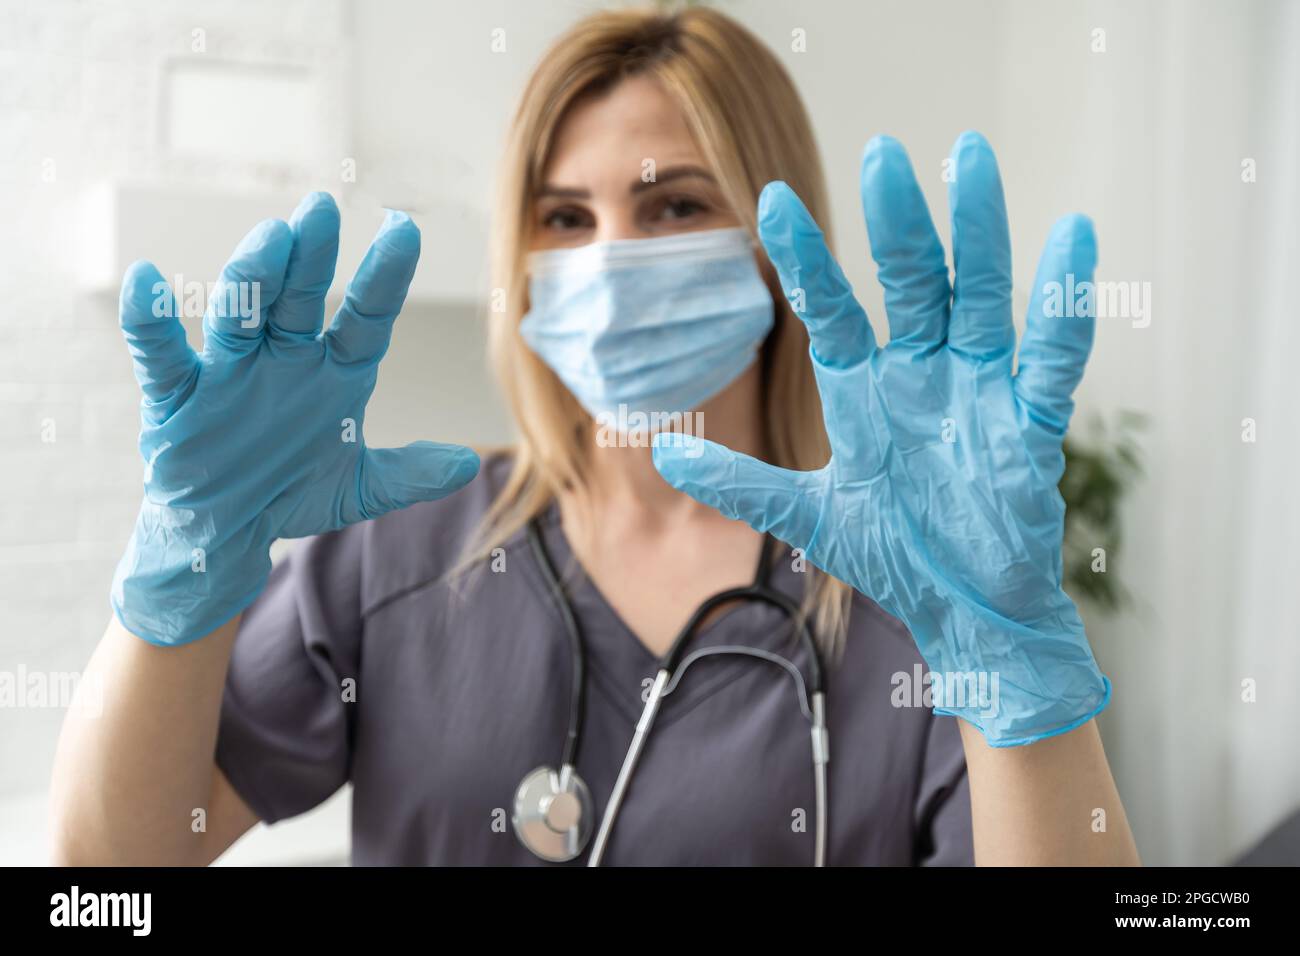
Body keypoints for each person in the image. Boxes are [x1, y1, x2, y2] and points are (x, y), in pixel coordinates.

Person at [50, 6, 1138, 866]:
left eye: (674, 208)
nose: (611, 259)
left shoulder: (915, 597)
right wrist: (183, 555)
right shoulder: (400, 546)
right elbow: (111, 871)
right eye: (565, 217)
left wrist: (1009, 665)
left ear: (776, 240)